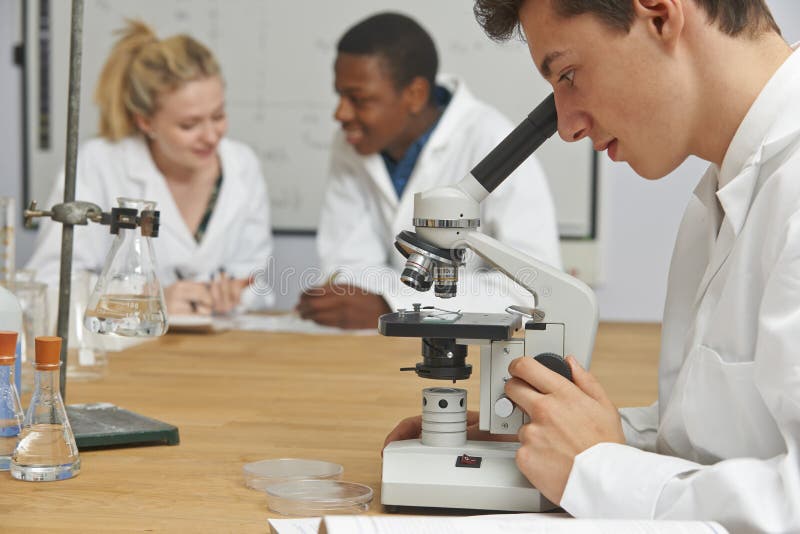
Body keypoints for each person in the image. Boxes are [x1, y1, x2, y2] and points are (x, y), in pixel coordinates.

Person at [386, 0, 800, 530]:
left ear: (659, 16)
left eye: (568, 75)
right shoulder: (724, 192)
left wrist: (597, 468)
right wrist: (551, 432)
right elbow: (719, 442)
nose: (566, 128)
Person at [296, 12, 561, 330]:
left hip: (475, 344)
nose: (340, 113)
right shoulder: (352, 142)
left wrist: (394, 306)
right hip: (380, 343)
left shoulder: (496, 143)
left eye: (359, 99)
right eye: (339, 95)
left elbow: (533, 288)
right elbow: (348, 268)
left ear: (415, 95)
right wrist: (385, 306)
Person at [26, 20, 274, 315]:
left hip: (219, 338)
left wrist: (235, 294)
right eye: (189, 125)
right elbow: (51, 281)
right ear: (146, 122)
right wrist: (144, 298)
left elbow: (258, 284)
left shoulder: (241, 165)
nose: (211, 136)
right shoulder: (99, 164)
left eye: (218, 116)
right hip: (128, 340)